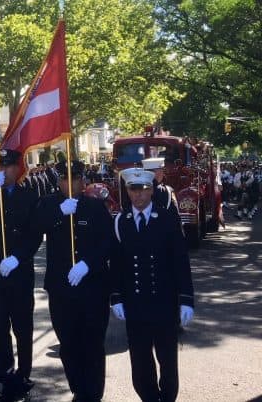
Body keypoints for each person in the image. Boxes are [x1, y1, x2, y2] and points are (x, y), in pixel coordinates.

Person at [110, 168, 195, 402]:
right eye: (133, 190)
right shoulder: (120, 222)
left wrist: (186, 299)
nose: (138, 196)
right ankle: (148, 397)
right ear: (127, 191)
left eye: (144, 190)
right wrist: (115, 296)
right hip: (135, 304)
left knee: (167, 359)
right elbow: (116, 264)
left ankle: (167, 398)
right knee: (140, 361)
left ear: (151, 190)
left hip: (164, 303)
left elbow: (180, 261)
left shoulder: (167, 218)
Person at [33, 160, 113, 402]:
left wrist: (88, 263)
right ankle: (78, 389)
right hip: (61, 288)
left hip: (93, 287)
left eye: (75, 178)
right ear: (59, 181)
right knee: (68, 342)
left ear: (83, 181)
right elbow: (35, 227)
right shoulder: (48, 204)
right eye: (65, 178)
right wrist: (59, 213)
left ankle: (93, 394)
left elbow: (109, 241)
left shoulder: (95, 207)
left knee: (93, 342)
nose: (70, 183)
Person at [0, 149, 42, 402]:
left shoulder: (29, 195)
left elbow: (34, 233)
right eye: (0, 165)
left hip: (19, 271)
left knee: (23, 327)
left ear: (19, 168)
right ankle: (5, 376)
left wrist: (18, 257)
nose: (4, 170)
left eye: (9, 166)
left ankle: (23, 375)